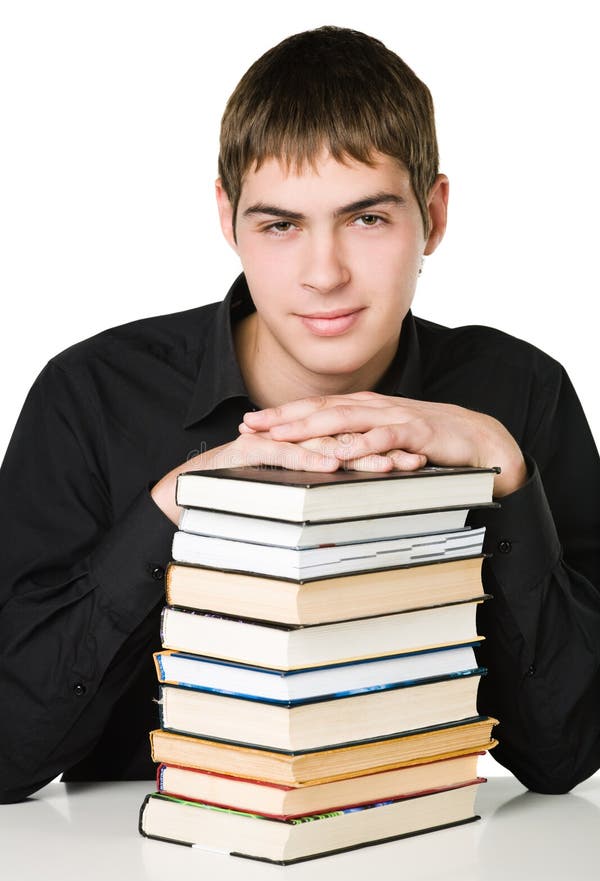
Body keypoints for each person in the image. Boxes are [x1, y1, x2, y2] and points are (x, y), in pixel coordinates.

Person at [0, 25, 598, 804]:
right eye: (280, 225)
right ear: (229, 219)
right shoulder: (92, 395)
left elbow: (566, 757)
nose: (325, 274)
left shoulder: (520, 393)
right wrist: (166, 514)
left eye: (367, 219)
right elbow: (9, 754)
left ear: (435, 215)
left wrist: (506, 475)